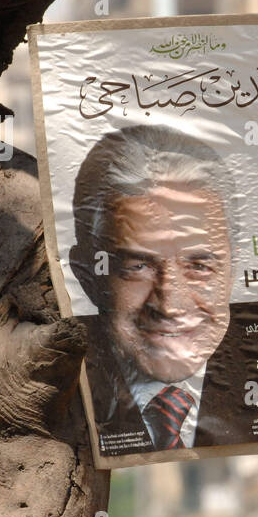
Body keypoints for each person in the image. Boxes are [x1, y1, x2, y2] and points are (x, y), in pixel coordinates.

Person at [69, 125, 235, 455]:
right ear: (87, 275)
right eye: (137, 267)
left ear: (234, 270)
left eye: (199, 266)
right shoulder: (56, 397)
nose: (170, 304)